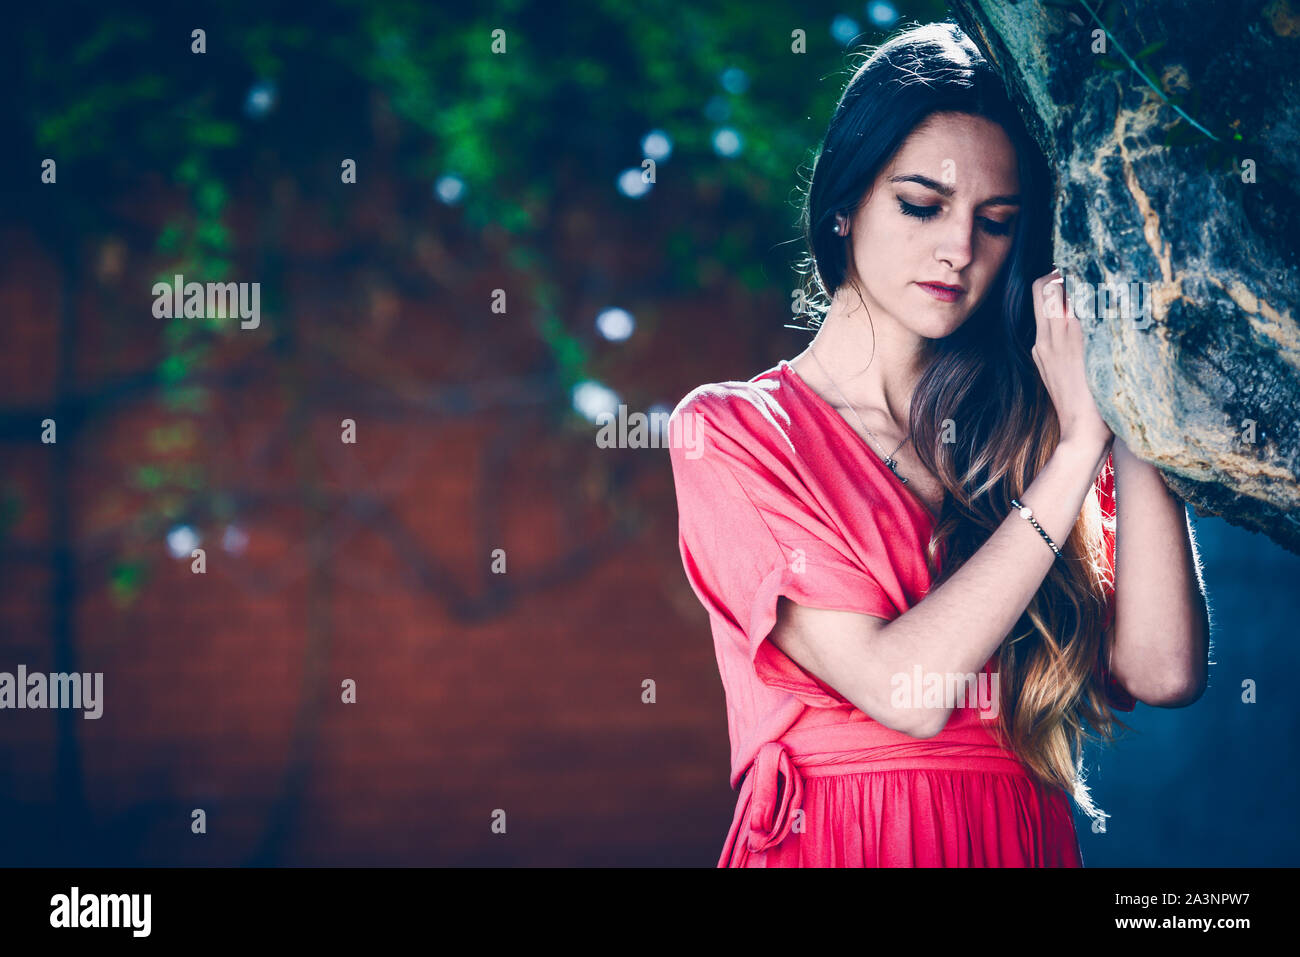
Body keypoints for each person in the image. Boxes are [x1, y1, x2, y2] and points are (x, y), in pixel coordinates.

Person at [667, 20, 1210, 867]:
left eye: (996, 222)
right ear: (843, 205)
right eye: (922, 205)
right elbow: (901, 690)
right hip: (840, 841)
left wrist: (1125, 390)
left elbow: (1165, 668)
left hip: (1014, 835)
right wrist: (1074, 458)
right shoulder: (734, 432)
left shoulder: (1031, 420)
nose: (959, 248)